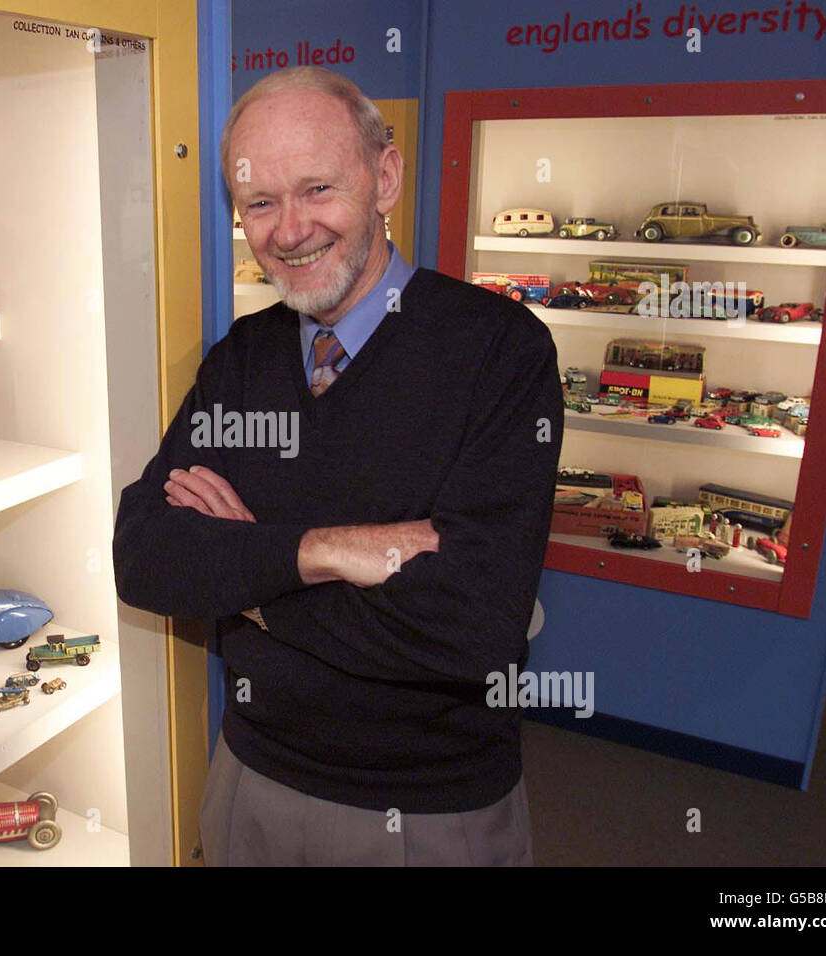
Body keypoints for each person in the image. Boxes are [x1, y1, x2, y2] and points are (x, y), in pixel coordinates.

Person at [112, 66, 563, 866]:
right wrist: (323, 552)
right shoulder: (242, 359)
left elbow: (474, 628)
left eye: (317, 188)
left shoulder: (498, 350)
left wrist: (251, 585)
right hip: (251, 782)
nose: (289, 231)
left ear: (384, 178)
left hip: (429, 812)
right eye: (259, 202)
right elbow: (144, 554)